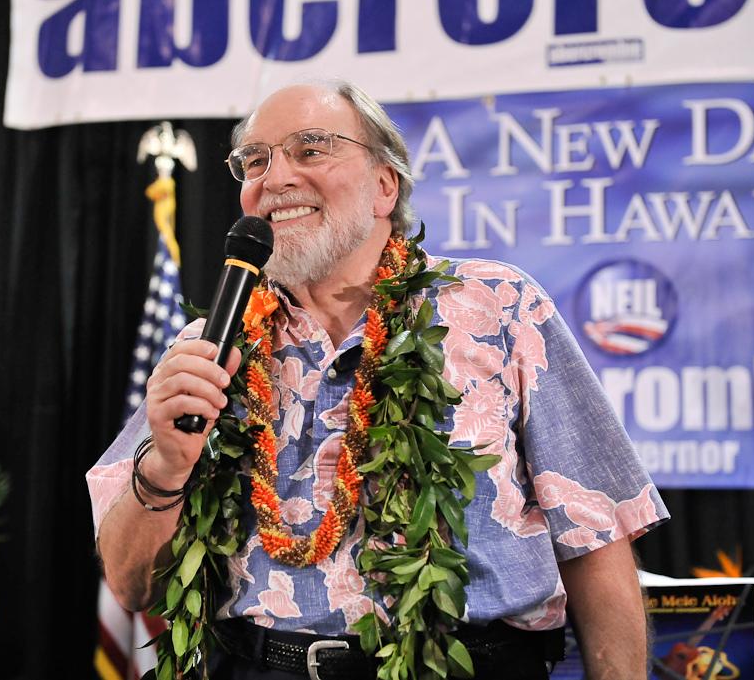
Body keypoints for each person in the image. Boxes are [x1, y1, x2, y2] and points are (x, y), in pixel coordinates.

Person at [88, 80, 669, 679]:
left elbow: (596, 543)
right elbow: (132, 587)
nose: (275, 177)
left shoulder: (498, 307)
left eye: (310, 150)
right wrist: (164, 466)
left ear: (384, 186)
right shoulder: (207, 349)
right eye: (254, 161)